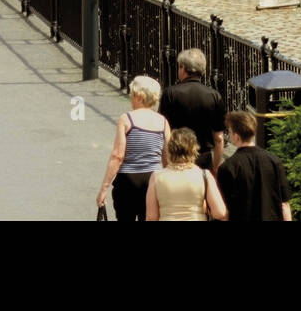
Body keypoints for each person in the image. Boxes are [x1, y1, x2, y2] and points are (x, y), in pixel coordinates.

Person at [96, 75, 170, 221]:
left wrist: (103, 189)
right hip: (153, 179)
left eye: (132, 94)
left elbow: (118, 155)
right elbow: (167, 157)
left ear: (139, 97)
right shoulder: (163, 122)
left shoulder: (127, 119)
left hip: (128, 180)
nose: (130, 97)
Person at [215, 110, 293, 221]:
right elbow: (284, 204)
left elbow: (224, 211)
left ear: (236, 136)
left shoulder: (228, 167)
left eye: (230, 132)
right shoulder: (274, 161)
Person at [159, 48, 226, 172]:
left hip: (177, 157)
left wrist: (166, 165)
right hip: (203, 159)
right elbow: (219, 138)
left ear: (183, 68)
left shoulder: (170, 93)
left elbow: (165, 133)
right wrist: (215, 167)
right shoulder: (214, 96)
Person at [147, 128, 228, 221]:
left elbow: (151, 217)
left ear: (169, 149)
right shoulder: (204, 175)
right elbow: (220, 212)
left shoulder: (157, 177)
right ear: (194, 149)